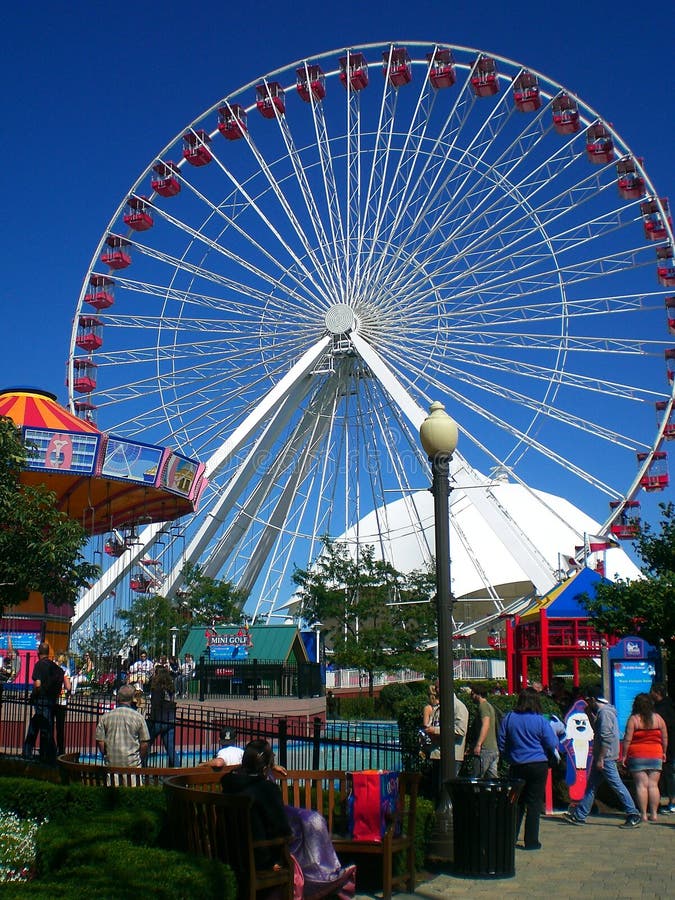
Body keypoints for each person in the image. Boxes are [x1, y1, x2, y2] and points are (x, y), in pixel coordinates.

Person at [222, 739, 356, 897]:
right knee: (300, 846)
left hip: (230, 852)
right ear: (265, 768)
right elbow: (282, 830)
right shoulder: (266, 790)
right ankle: (321, 883)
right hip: (260, 859)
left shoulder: (229, 783)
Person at [563, 685, 641, 828]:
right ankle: (580, 815)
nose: (587, 704)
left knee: (616, 785)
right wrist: (589, 716)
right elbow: (598, 731)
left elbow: (606, 737)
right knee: (591, 785)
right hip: (603, 756)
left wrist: (600, 758)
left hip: (605, 757)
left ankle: (633, 813)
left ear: (593, 699)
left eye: (588, 701)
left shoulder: (605, 713)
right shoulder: (603, 712)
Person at [498, 687, 558, 850]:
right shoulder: (540, 720)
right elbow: (552, 743)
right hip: (538, 764)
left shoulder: (509, 718)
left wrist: (508, 757)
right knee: (534, 803)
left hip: (517, 764)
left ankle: (510, 837)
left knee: (516, 802)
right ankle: (531, 841)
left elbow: (502, 741)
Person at [622, 692, 668, 823]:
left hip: (637, 755)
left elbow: (627, 740)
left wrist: (624, 755)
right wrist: (663, 752)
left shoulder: (634, 719)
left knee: (641, 785)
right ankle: (654, 814)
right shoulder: (658, 718)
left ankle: (643, 814)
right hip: (656, 753)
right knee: (653, 785)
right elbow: (664, 737)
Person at [22, 642, 64, 765]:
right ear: (48, 652)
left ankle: (42, 753)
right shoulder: (54, 666)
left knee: (43, 726)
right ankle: (45, 752)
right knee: (42, 724)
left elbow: (38, 684)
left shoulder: (39, 665)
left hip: (41, 699)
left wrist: (33, 695)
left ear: (38, 652)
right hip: (51, 700)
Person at [95, 683, 150, 767]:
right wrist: (139, 759)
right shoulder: (138, 717)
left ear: (118, 698)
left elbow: (100, 741)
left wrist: (107, 755)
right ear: (132, 699)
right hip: (133, 766)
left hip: (112, 766)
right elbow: (145, 743)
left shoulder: (105, 717)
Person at [423, 681, 469, 776]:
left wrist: (435, 730)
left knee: (447, 788)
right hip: (437, 754)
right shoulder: (438, 707)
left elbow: (460, 730)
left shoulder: (459, 707)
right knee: (438, 789)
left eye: (437, 687)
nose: (436, 691)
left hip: (452, 757)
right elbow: (431, 724)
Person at [147, 663, 180, 766]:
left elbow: (156, 705)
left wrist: (151, 720)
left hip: (159, 720)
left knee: (146, 745)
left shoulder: (157, 688)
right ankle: (177, 770)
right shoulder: (170, 688)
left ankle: (141, 769)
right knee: (170, 748)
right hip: (170, 719)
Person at [650, 682, 675, 813]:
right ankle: (671, 801)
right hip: (669, 745)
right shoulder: (670, 705)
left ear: (657, 693)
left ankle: (671, 801)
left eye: (652, 691)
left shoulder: (660, 710)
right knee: (669, 773)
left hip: (666, 746)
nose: (650, 694)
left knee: (667, 774)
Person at [469, 684, 499, 778]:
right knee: (493, 780)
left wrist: (478, 744)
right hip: (494, 749)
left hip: (485, 749)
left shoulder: (483, 707)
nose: (471, 697)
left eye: (472, 694)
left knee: (476, 778)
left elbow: (485, 724)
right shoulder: (490, 706)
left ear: (477, 694)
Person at [54, 652, 72, 757]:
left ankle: (48, 748)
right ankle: (60, 749)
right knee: (60, 727)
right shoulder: (65, 670)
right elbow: (68, 687)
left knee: (49, 725)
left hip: (51, 699)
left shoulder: (51, 668)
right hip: (62, 699)